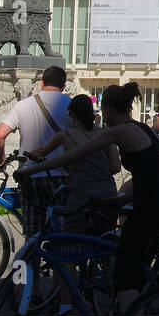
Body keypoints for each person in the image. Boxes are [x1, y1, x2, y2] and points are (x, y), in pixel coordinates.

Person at [18, 83, 159, 313]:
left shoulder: (118, 131)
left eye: (103, 109)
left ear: (109, 108)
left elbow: (75, 154)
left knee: (124, 275)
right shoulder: (143, 128)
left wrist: (29, 170)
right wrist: (122, 200)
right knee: (135, 268)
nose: (102, 115)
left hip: (149, 208)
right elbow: (153, 174)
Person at [0, 65, 72, 237]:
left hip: (31, 176)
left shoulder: (23, 105)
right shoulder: (71, 106)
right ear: (64, 86)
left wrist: (1, 159)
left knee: (32, 234)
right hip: (61, 176)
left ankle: (31, 261)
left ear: (41, 83)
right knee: (62, 231)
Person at [27, 94, 120, 236]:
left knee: (72, 239)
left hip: (81, 194)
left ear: (72, 115)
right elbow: (115, 166)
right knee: (105, 239)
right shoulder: (105, 133)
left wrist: (30, 154)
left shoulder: (66, 135)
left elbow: (41, 152)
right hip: (108, 192)